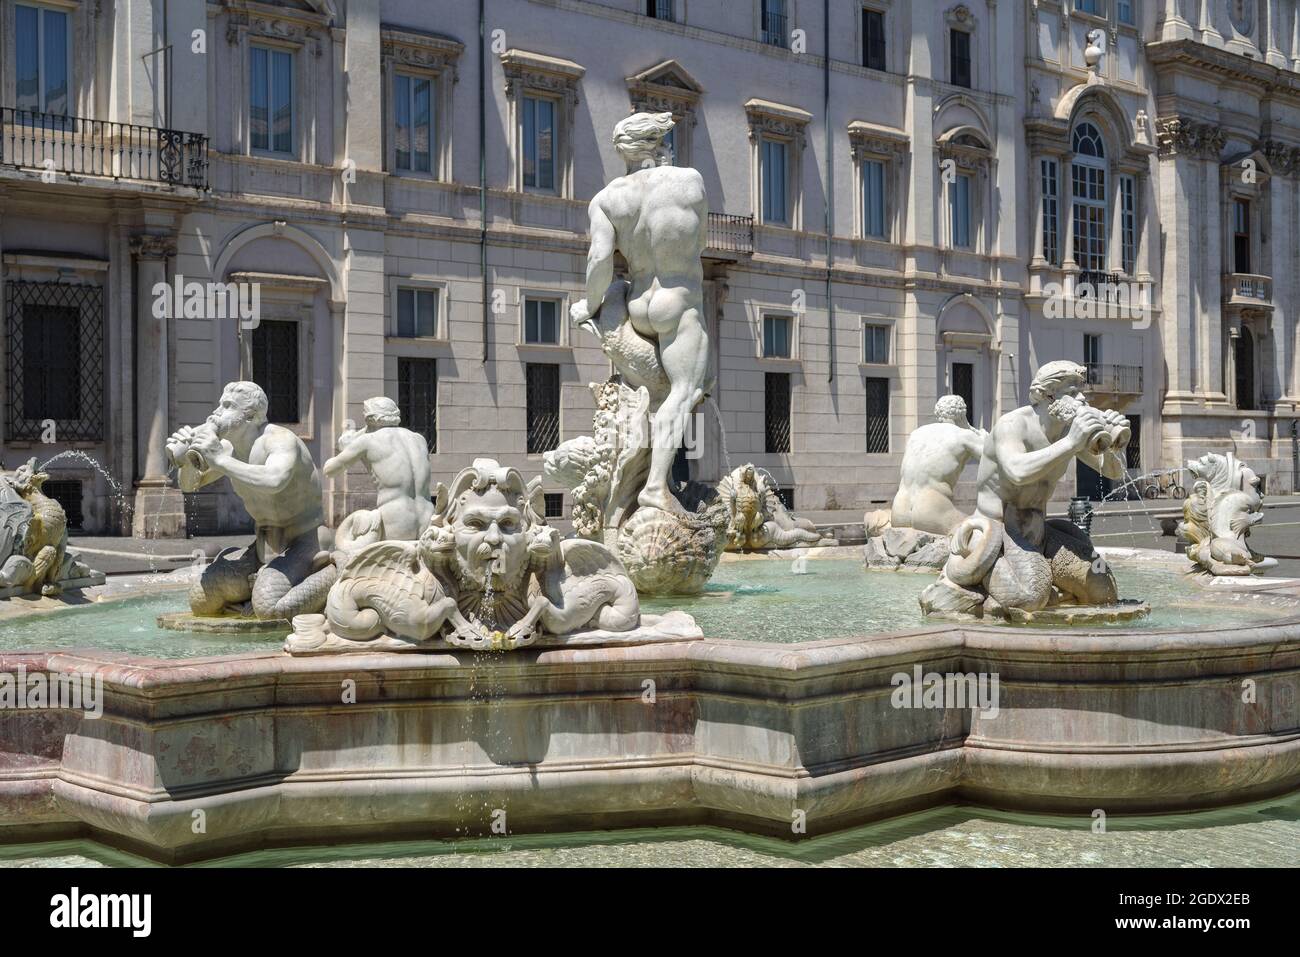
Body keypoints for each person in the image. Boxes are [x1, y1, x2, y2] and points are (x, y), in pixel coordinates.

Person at [568, 111, 709, 517]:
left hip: (637, 303)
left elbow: (599, 262)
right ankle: (653, 487)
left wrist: (590, 305)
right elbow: (698, 239)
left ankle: (628, 486)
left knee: (651, 395)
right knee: (685, 392)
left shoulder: (608, 199)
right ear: (659, 144)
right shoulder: (690, 181)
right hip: (678, 303)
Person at [323, 396, 433, 554]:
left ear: (370, 418)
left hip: (397, 518)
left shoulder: (367, 441)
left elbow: (329, 470)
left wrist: (346, 445)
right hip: (428, 518)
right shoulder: (418, 439)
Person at [889, 395, 987, 535]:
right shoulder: (964, 435)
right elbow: (994, 460)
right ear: (962, 414)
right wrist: (984, 438)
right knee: (981, 533)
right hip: (929, 508)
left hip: (899, 509)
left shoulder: (916, 433)